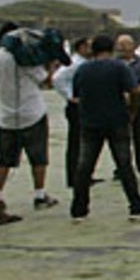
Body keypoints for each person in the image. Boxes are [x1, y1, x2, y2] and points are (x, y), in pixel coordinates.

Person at [70, 34, 140, 222]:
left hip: (90, 123)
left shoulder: (82, 70)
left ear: (93, 51)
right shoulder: (119, 67)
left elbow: (77, 96)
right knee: (124, 165)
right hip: (117, 121)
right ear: (112, 49)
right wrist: (132, 112)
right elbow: (133, 91)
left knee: (84, 167)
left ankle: (79, 209)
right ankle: (136, 207)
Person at [0, 22, 63, 211]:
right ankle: (40, 195)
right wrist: (51, 66)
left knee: (4, 159)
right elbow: (45, 81)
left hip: (6, 116)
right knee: (38, 157)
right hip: (32, 113)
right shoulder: (26, 59)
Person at [52, 36, 92, 188]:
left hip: (84, 106)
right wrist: (70, 97)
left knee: (83, 143)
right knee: (76, 143)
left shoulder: (84, 63)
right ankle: (74, 177)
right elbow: (57, 79)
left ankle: (83, 175)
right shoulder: (74, 63)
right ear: (81, 48)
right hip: (76, 107)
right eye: (88, 46)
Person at [115, 34, 140, 179]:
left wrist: (136, 91)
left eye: (125, 44)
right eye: (119, 45)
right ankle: (122, 169)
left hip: (138, 99)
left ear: (132, 46)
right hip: (118, 101)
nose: (122, 48)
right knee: (120, 136)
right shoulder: (114, 63)